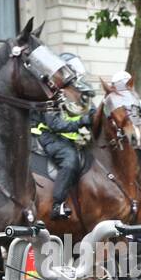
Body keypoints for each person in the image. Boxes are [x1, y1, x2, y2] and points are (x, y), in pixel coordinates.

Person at [31, 53, 94, 220]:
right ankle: (57, 205)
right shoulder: (50, 94)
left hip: (71, 138)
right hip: (47, 135)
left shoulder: (79, 93)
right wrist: (84, 121)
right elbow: (56, 125)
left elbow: (90, 112)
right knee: (70, 159)